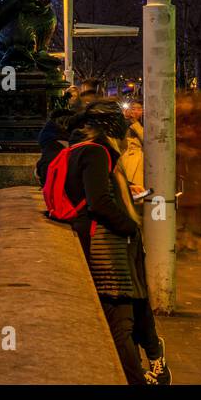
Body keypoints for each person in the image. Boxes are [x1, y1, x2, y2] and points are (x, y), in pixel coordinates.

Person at [43, 100, 170, 384]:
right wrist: (130, 227)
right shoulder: (97, 151)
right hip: (106, 246)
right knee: (121, 321)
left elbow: (88, 193)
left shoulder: (76, 149)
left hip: (92, 238)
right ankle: (138, 378)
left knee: (124, 316)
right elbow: (99, 202)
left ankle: (148, 363)